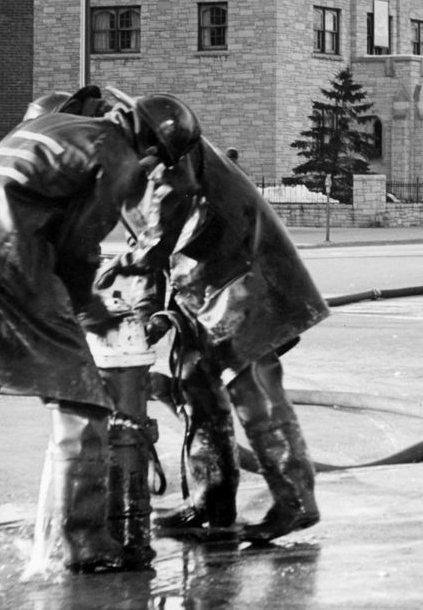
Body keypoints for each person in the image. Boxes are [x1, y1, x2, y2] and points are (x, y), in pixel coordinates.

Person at [0, 93, 201, 571]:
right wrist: (93, 312)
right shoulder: (115, 152)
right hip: (9, 264)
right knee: (84, 401)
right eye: (158, 166)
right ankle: (85, 542)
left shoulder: (53, 126)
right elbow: (76, 248)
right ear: (154, 150)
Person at [99, 122, 329, 545]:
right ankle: (212, 501)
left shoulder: (171, 152)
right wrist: (150, 312)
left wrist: (121, 265)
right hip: (201, 293)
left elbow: (153, 242)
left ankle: (295, 502)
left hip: (242, 285)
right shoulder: (131, 171)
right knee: (195, 390)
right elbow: (150, 246)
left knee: (256, 394)